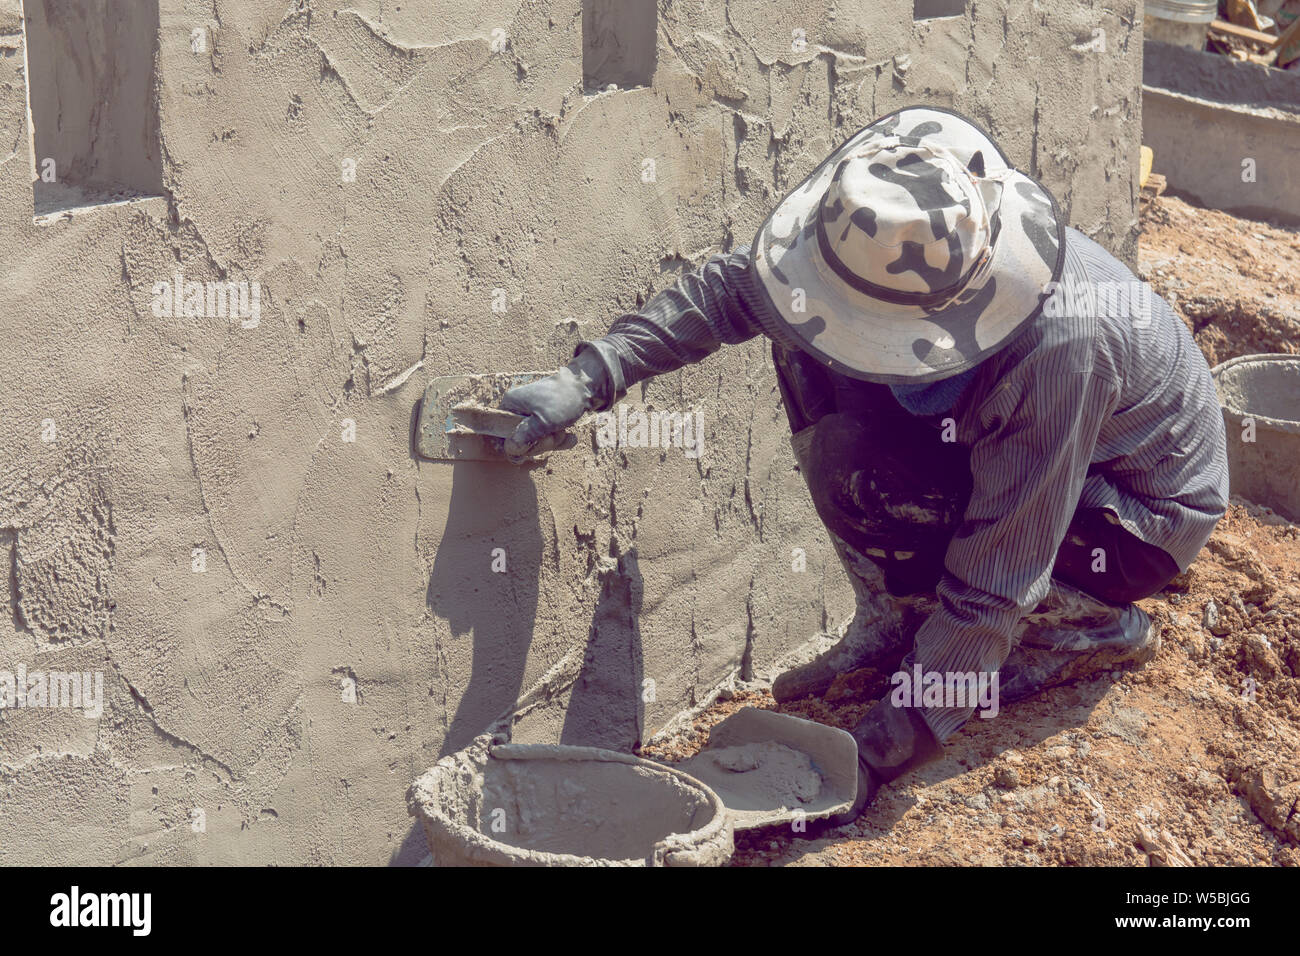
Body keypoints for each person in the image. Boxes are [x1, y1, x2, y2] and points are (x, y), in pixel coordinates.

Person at [499, 107, 1229, 819]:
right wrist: (590, 378)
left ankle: (1087, 626)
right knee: (813, 362)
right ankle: (890, 618)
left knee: (937, 527)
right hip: (1041, 448)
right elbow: (732, 292)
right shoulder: (877, 250)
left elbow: (995, 583)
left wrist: (880, 750)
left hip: (1131, 514)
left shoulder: (1057, 354)